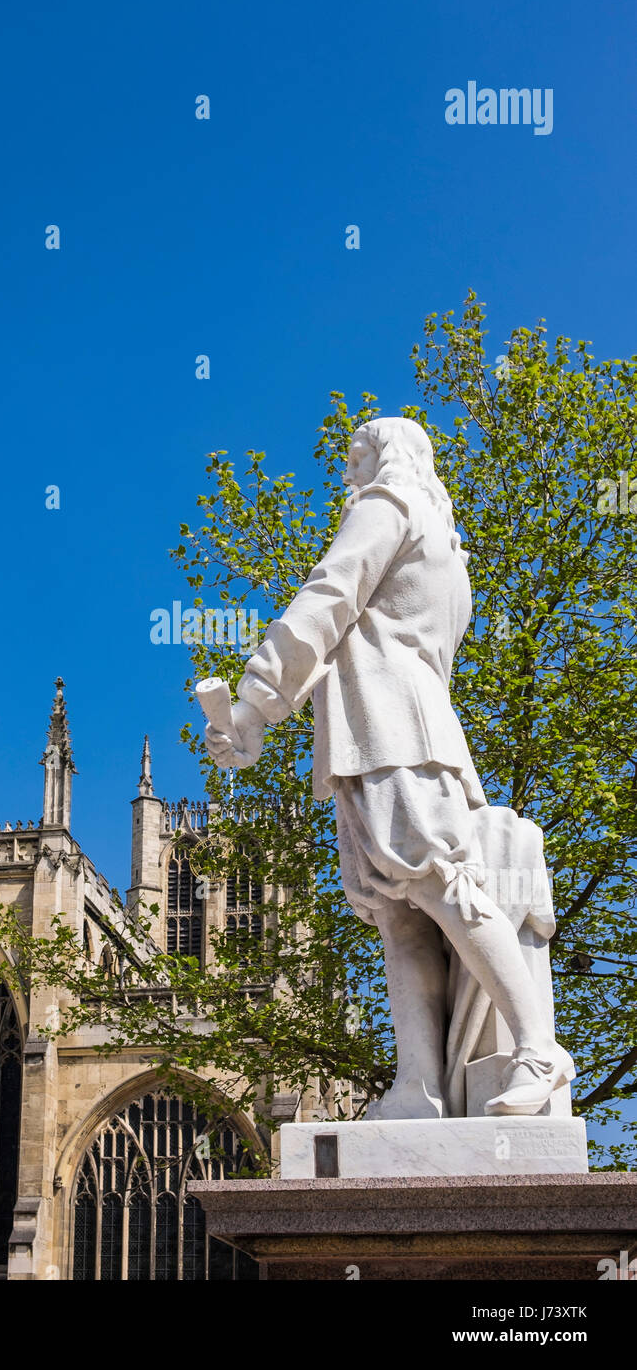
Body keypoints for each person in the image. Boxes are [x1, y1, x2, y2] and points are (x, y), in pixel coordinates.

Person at [204, 417, 574, 1118]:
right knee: (398, 913)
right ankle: (419, 1085)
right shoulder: (445, 548)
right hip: (386, 736)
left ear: (388, 457)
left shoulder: (391, 506)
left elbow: (331, 595)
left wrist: (255, 701)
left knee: (438, 886)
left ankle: (538, 1048)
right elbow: (365, 634)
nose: (349, 474)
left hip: (396, 733)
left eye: (357, 457)